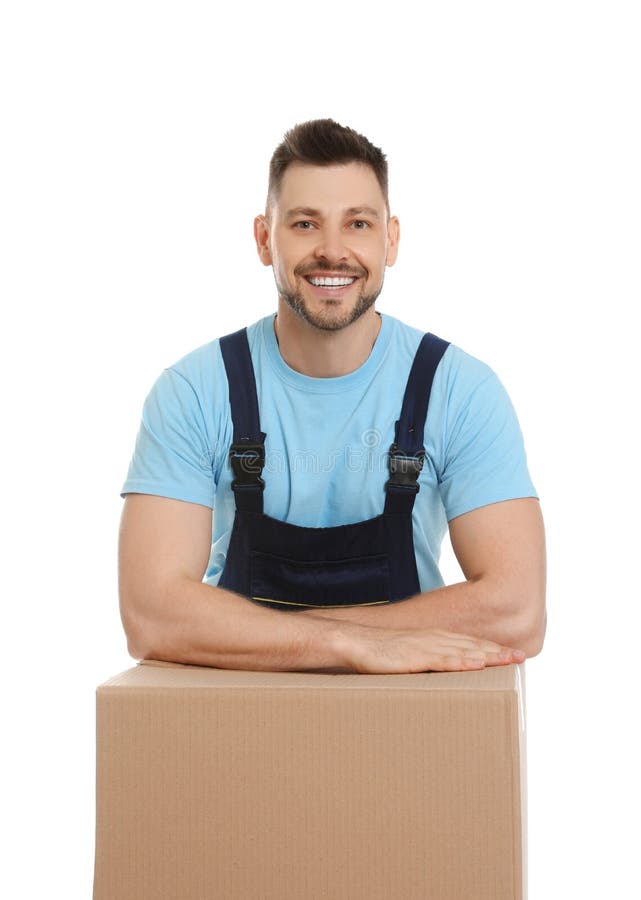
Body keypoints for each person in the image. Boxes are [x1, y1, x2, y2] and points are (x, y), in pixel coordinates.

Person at [118, 118, 546, 674]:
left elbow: (519, 612)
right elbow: (150, 615)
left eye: (358, 223)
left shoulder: (459, 390)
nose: (333, 251)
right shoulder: (195, 392)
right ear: (264, 239)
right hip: (235, 722)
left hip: (408, 719)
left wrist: (268, 635)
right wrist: (350, 645)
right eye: (304, 223)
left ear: (390, 240)